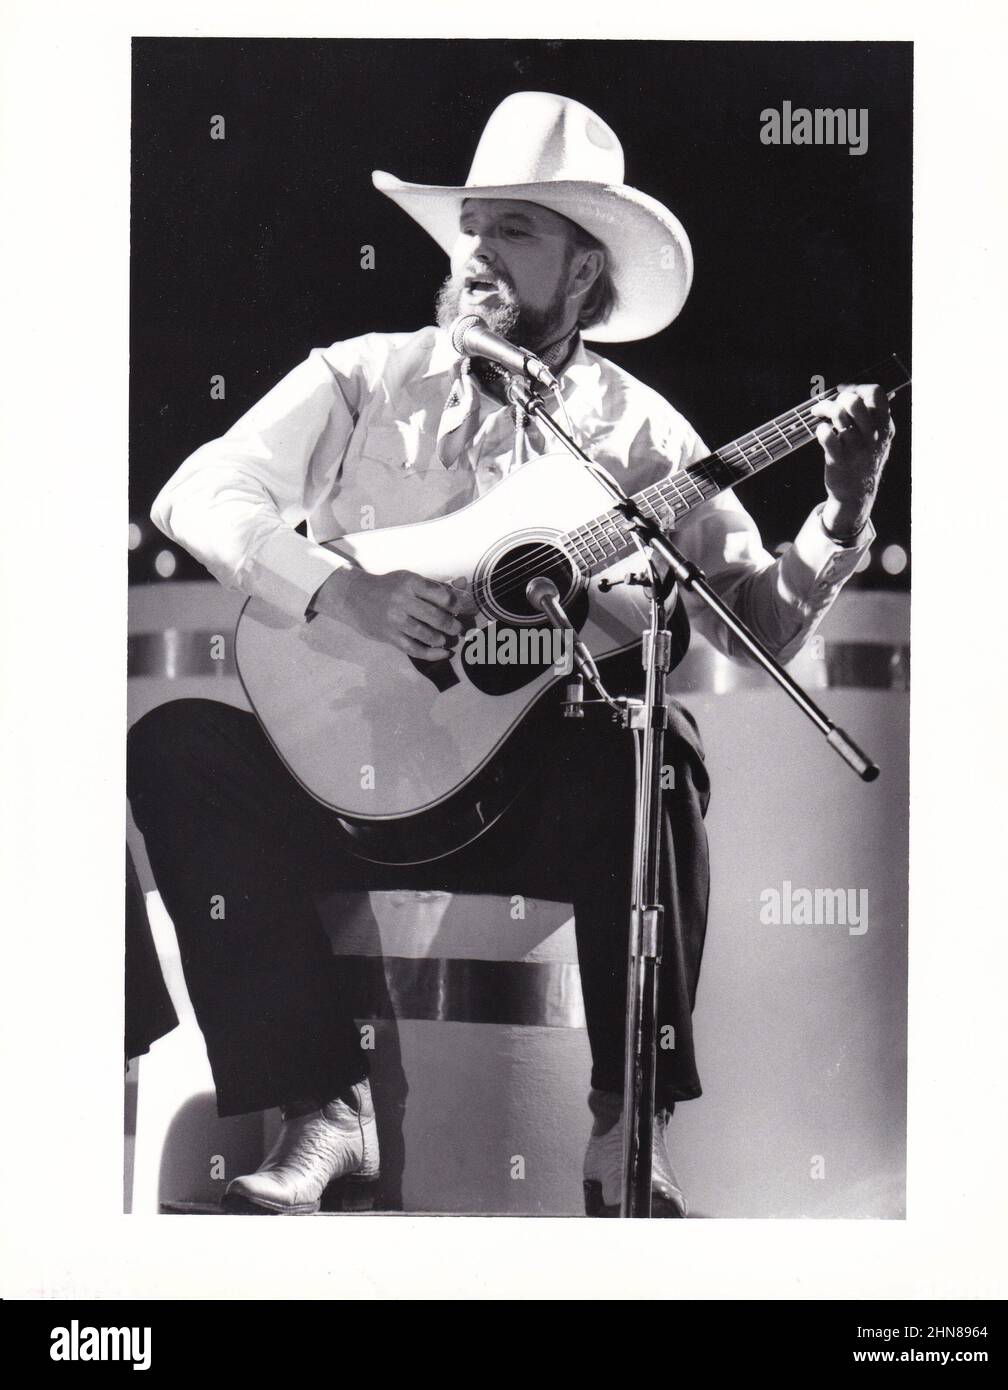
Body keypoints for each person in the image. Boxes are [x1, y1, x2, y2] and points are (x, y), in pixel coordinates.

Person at [127, 91, 894, 1217]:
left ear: (586, 276)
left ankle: (630, 1123)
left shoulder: (641, 437)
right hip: (340, 781)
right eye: (472, 224)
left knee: (656, 747)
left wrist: (841, 512)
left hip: (524, 802)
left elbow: (750, 623)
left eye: (516, 230)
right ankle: (323, 1114)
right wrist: (342, 587)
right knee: (178, 745)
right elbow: (197, 492)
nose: (477, 252)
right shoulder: (363, 375)